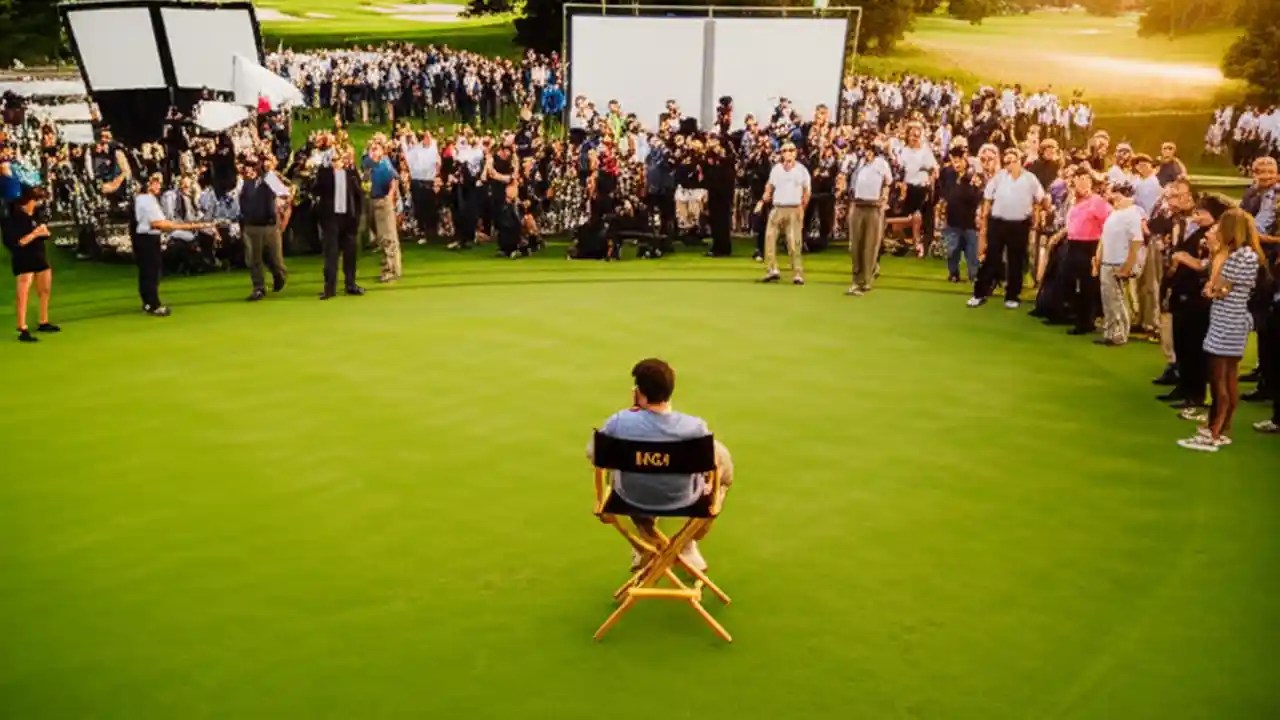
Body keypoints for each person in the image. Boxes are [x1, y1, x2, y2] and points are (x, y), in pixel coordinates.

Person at [587, 358, 734, 573]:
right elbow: (713, 466)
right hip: (685, 500)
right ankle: (683, 544)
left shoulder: (619, 422)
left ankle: (646, 539)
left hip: (629, 499)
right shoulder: (695, 428)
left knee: (615, 471)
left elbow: (593, 454)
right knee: (722, 469)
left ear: (638, 392)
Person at [1179, 208, 1262, 451]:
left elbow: (1218, 288)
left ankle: (1213, 433)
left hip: (1227, 320)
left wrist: (1214, 287)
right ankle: (1221, 428)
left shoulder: (1238, 256)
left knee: (1219, 379)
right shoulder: (1249, 254)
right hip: (1234, 319)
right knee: (1229, 377)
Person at [968, 147, 1047, 309]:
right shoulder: (999, 177)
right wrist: (984, 221)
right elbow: (988, 199)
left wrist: (1038, 212)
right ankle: (980, 293)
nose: (1009, 164)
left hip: (1019, 225)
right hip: (998, 223)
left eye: (1013, 161)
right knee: (991, 258)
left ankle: (1012, 295)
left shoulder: (1030, 179)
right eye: (1007, 162)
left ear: (1020, 161)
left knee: (1016, 260)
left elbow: (1041, 198)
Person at [134, 173, 211, 316]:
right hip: (148, 238)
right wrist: (187, 227)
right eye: (155, 182)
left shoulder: (144, 199)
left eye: (159, 182)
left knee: (147, 272)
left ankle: (147, 302)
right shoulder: (146, 200)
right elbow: (158, 223)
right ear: (147, 184)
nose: (158, 185)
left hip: (146, 238)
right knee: (151, 272)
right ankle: (153, 304)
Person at [1, 187, 57, 342]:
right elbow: (18, 242)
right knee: (23, 292)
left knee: (45, 288)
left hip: (39, 254)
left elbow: (43, 233)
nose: (39, 204)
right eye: (37, 201)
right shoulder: (14, 219)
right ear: (29, 201)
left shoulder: (36, 216)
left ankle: (43, 321)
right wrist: (35, 234)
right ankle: (22, 326)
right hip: (23, 257)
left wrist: (44, 233)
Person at [1093, 183, 1145, 346]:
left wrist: (1127, 267)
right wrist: (1098, 258)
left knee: (1117, 300)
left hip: (1119, 261)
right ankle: (1109, 332)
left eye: (1119, 195)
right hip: (1108, 261)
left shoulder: (1132, 215)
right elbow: (1104, 238)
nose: (1115, 198)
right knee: (1108, 299)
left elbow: (1136, 242)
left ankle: (1119, 334)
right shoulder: (1115, 213)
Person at [840, 138, 893, 295]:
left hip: (874, 206)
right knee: (856, 245)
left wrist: (884, 199)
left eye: (868, 149)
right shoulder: (858, 163)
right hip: (858, 205)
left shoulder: (881, 164)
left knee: (870, 245)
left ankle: (866, 280)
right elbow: (847, 180)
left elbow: (888, 183)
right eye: (863, 149)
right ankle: (856, 280)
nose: (866, 152)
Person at [313, 147, 365, 299]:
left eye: (339, 160)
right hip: (331, 219)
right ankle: (330, 288)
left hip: (348, 219)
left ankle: (351, 284)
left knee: (351, 254)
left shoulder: (351, 175)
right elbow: (316, 190)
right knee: (331, 254)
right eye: (334, 160)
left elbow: (358, 195)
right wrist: (323, 169)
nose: (337, 163)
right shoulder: (325, 175)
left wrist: (357, 217)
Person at [759, 142, 810, 285]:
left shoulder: (801, 170)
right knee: (769, 238)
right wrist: (765, 196)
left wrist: (802, 209)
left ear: (795, 153)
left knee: (794, 242)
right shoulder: (776, 169)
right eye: (785, 150)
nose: (788, 153)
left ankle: (797, 273)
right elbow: (770, 185)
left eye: (791, 150)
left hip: (794, 208)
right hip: (778, 207)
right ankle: (772, 269)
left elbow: (806, 191)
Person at [238, 158, 288, 302]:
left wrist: (269, 174)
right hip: (251, 225)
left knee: (275, 258)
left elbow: (283, 192)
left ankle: (279, 276)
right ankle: (258, 287)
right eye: (248, 167)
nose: (250, 170)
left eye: (253, 167)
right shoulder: (245, 184)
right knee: (254, 259)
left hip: (269, 225)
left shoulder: (269, 181)